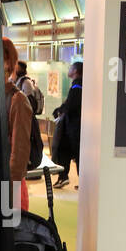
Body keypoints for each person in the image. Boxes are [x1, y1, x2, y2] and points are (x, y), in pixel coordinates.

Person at [2, 37, 32, 213]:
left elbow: (19, 155)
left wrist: (8, 192)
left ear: (8, 62)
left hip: (8, 188)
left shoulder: (17, 99)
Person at [52, 60, 81, 189]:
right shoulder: (77, 85)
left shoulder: (77, 86)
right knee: (66, 151)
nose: (68, 69)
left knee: (74, 153)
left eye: (70, 68)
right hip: (73, 127)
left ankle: (66, 177)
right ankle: (63, 177)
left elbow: (71, 105)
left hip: (74, 128)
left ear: (75, 71)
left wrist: (60, 110)